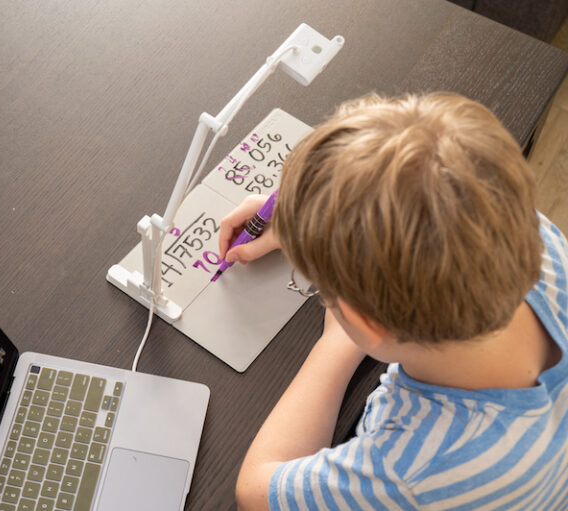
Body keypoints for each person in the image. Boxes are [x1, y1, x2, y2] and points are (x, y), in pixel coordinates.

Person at [222, 93, 568, 510]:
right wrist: (310, 222)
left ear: (365, 322)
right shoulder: (535, 236)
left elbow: (255, 493)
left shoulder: (412, 472)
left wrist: (336, 343)